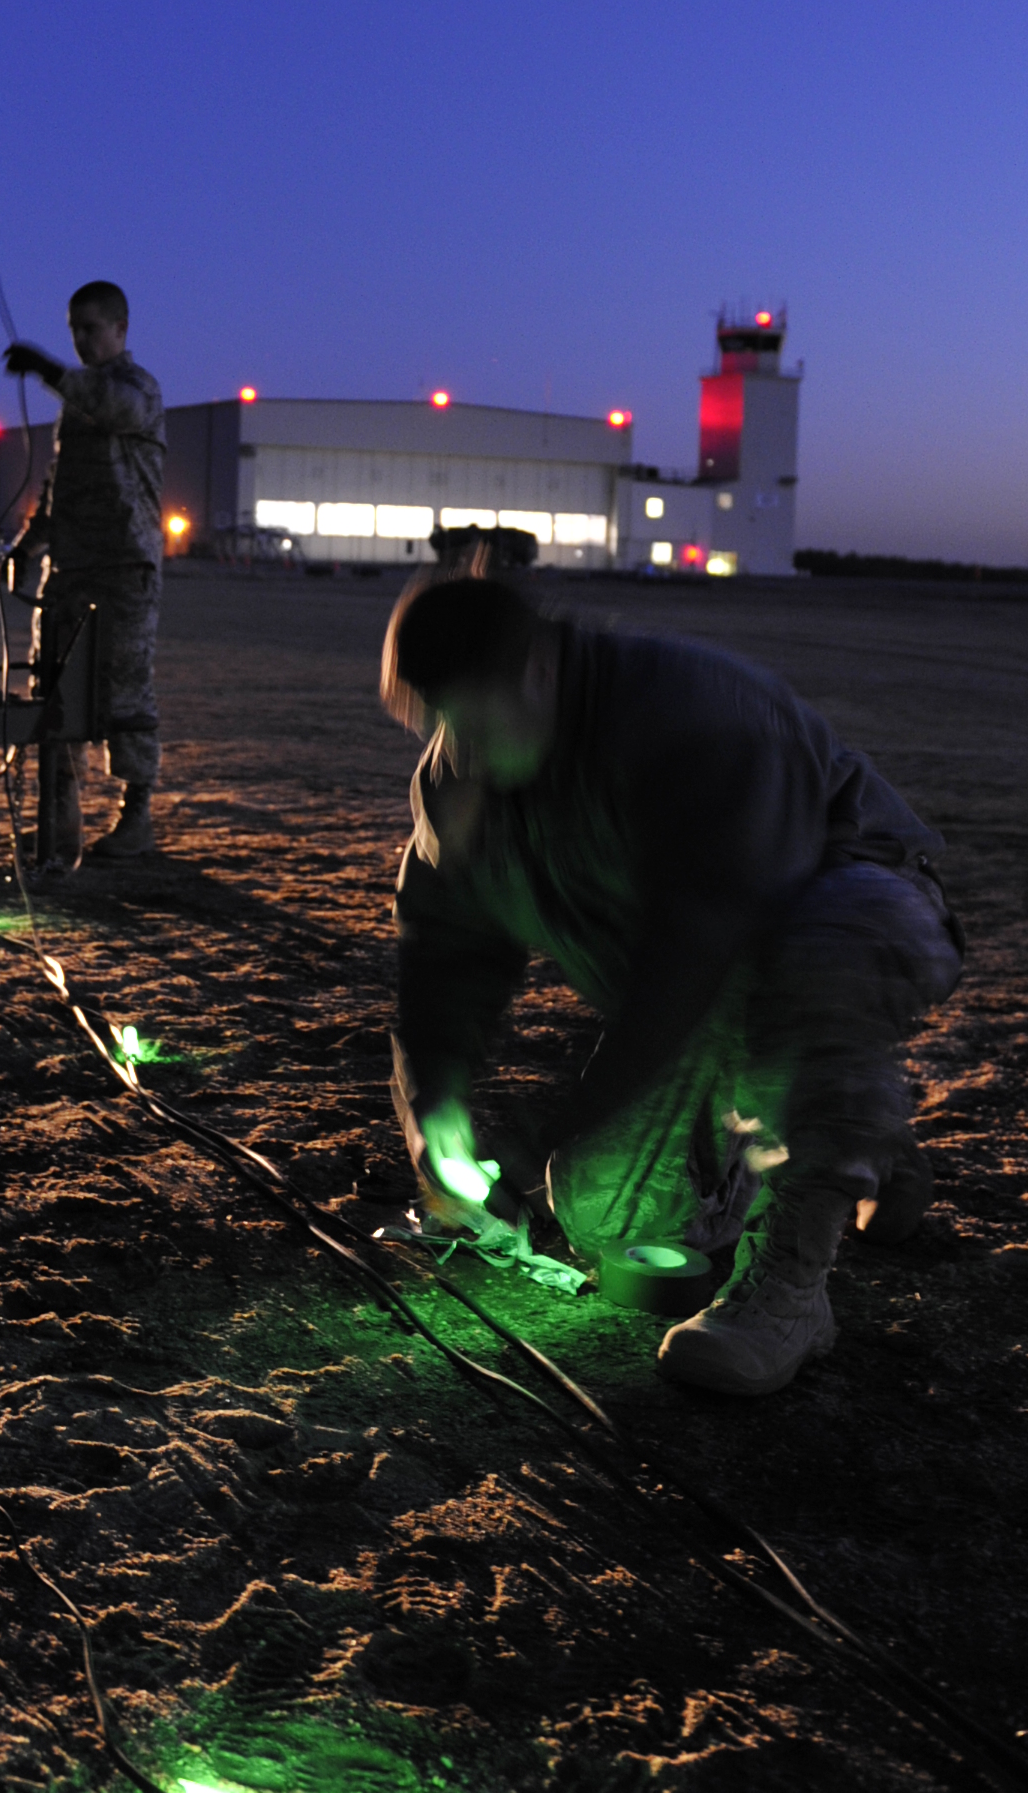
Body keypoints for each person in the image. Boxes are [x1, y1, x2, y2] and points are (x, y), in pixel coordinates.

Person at [379, 570, 963, 1397]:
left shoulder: (699, 719)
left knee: (819, 951)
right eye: (433, 723)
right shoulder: (459, 770)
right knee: (606, 1218)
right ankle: (860, 1143)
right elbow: (444, 957)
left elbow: (689, 964)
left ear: (538, 672)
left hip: (842, 917)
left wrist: (546, 1129)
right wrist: (435, 1113)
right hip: (696, 997)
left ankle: (791, 1290)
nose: (453, 745)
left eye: (467, 718)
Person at [3, 283, 166, 869]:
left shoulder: (136, 389)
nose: (80, 339)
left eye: (91, 328)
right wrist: (27, 545)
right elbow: (59, 490)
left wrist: (46, 366)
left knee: (123, 694)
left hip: (123, 569)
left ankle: (136, 816)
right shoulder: (76, 403)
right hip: (70, 571)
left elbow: (111, 405)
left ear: (121, 329)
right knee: (54, 696)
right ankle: (58, 824)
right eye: (74, 329)